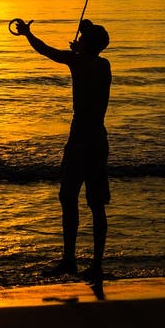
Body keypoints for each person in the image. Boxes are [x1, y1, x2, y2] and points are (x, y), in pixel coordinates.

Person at [12, 16, 111, 289]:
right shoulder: (103, 65)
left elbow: (46, 51)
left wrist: (28, 34)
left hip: (80, 142)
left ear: (87, 45)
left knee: (68, 197)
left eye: (82, 40)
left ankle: (70, 260)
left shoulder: (78, 61)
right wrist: (84, 39)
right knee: (95, 204)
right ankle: (96, 265)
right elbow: (87, 45)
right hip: (98, 142)